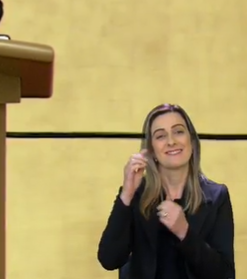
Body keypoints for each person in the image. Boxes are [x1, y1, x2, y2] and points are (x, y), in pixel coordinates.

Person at [97, 103, 234, 278]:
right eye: (161, 136)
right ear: (152, 150)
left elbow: (225, 275)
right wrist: (127, 194)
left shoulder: (216, 197)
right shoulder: (137, 195)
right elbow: (109, 259)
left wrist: (184, 233)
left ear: (191, 141)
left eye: (178, 131)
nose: (171, 141)